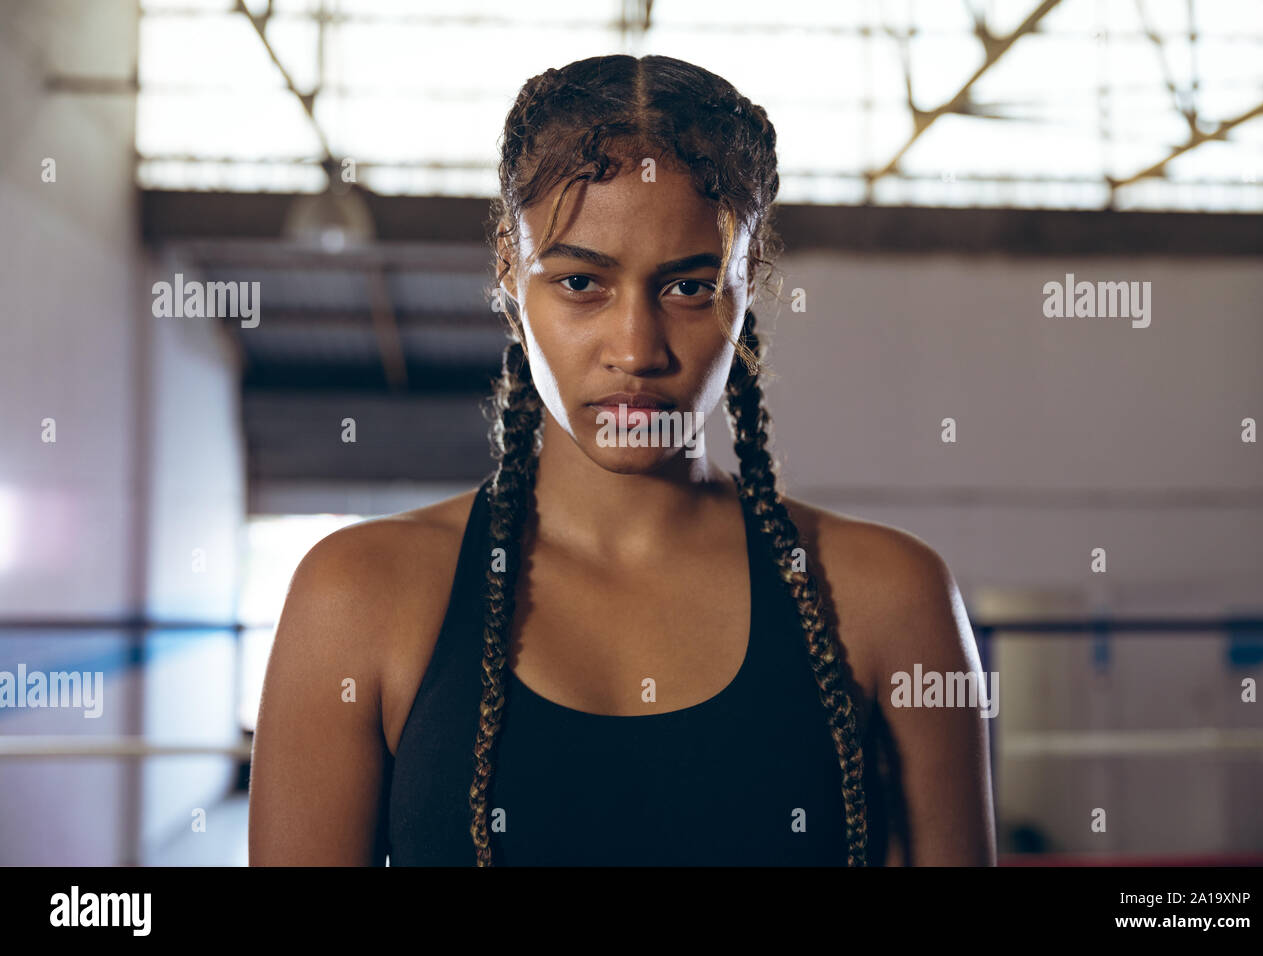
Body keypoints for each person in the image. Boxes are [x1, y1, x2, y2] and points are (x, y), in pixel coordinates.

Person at [248, 54, 995, 866]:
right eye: (580, 282)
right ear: (508, 266)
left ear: (750, 284)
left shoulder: (891, 599)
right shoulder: (355, 598)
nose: (636, 350)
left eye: (687, 288)